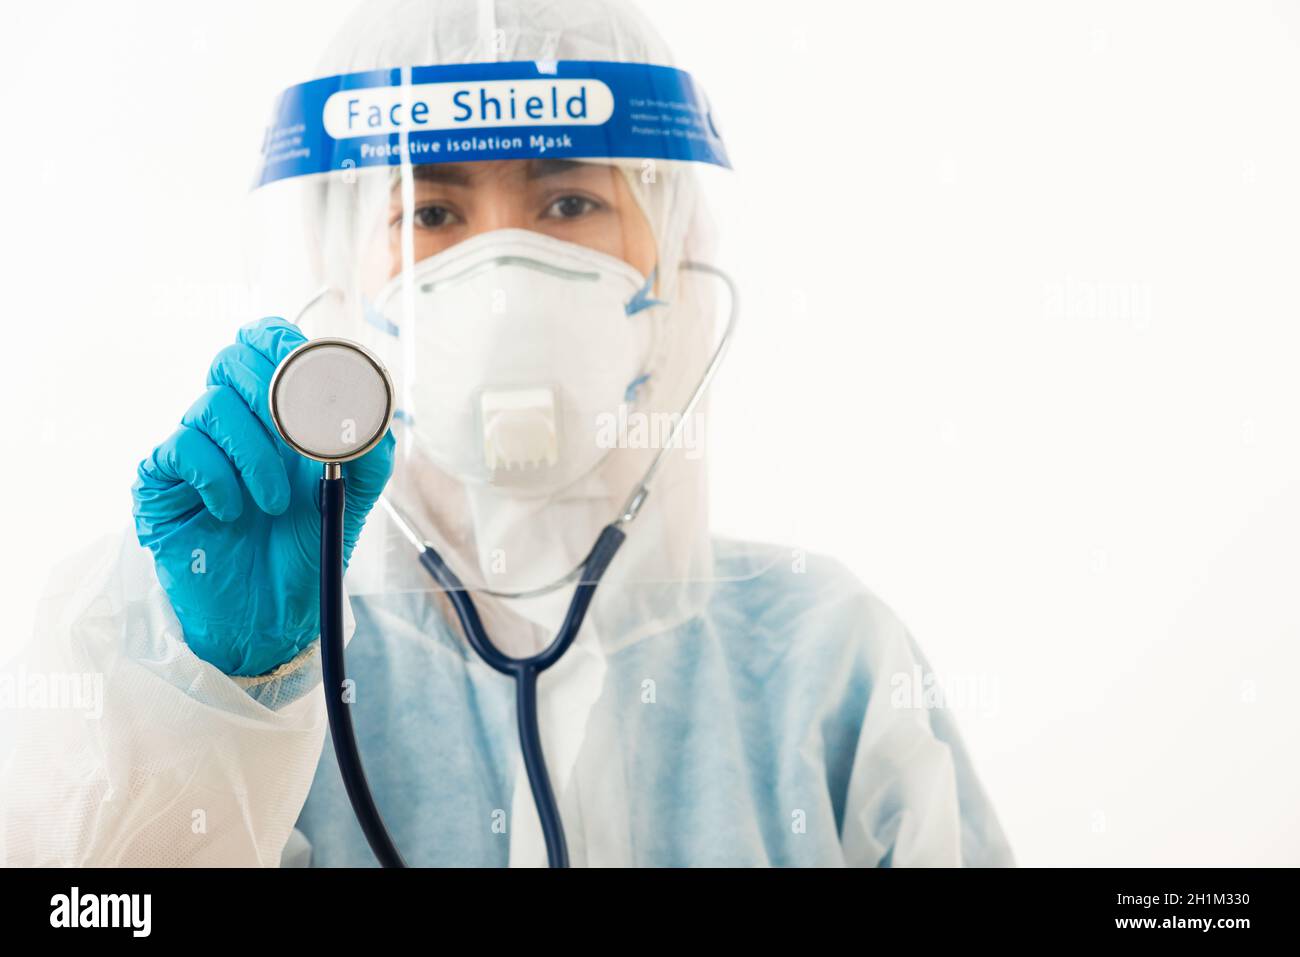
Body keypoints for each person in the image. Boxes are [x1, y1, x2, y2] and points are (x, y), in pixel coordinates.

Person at [0, 0, 1014, 867]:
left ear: (671, 256)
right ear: (346, 276)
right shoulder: (240, 659)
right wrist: (212, 706)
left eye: (569, 200)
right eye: (431, 213)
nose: (501, 274)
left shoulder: (829, 661)